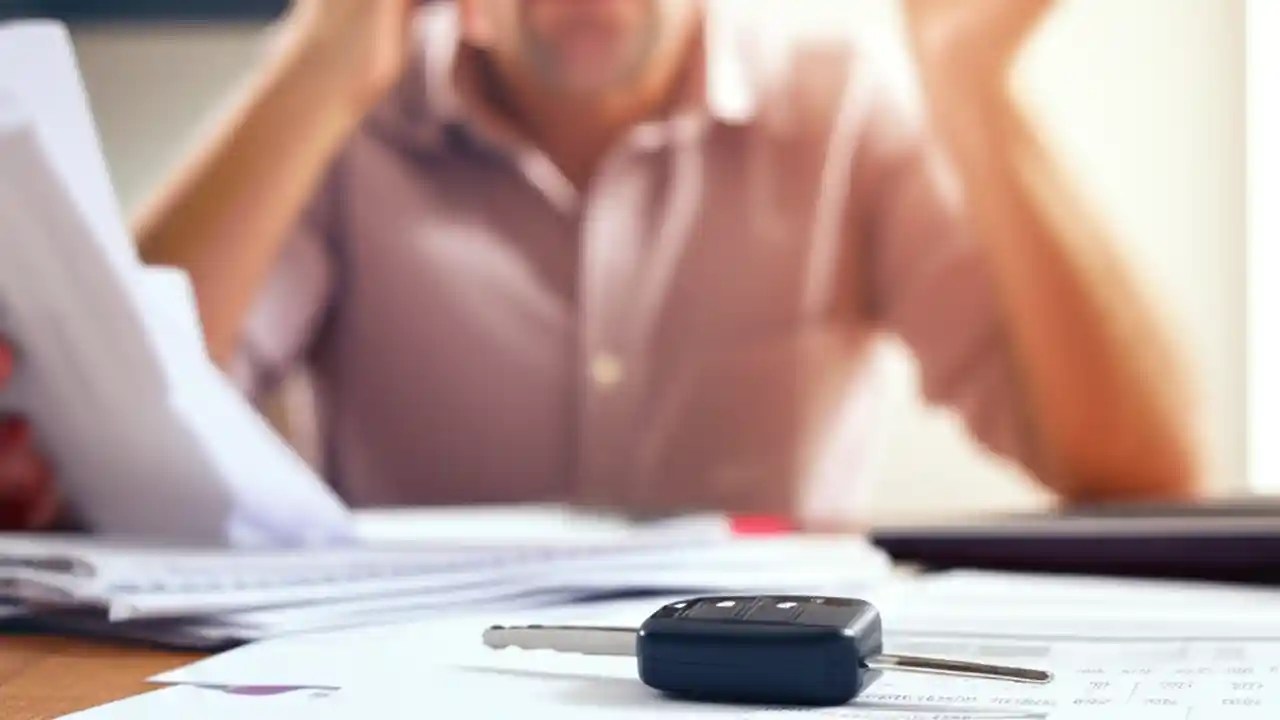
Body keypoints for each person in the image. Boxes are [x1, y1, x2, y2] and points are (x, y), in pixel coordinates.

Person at [0, 0, 1202, 530]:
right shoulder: (354, 113)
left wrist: (971, 86)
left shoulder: (841, 106)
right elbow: (100, 420)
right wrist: (312, 66)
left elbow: (1137, 471)